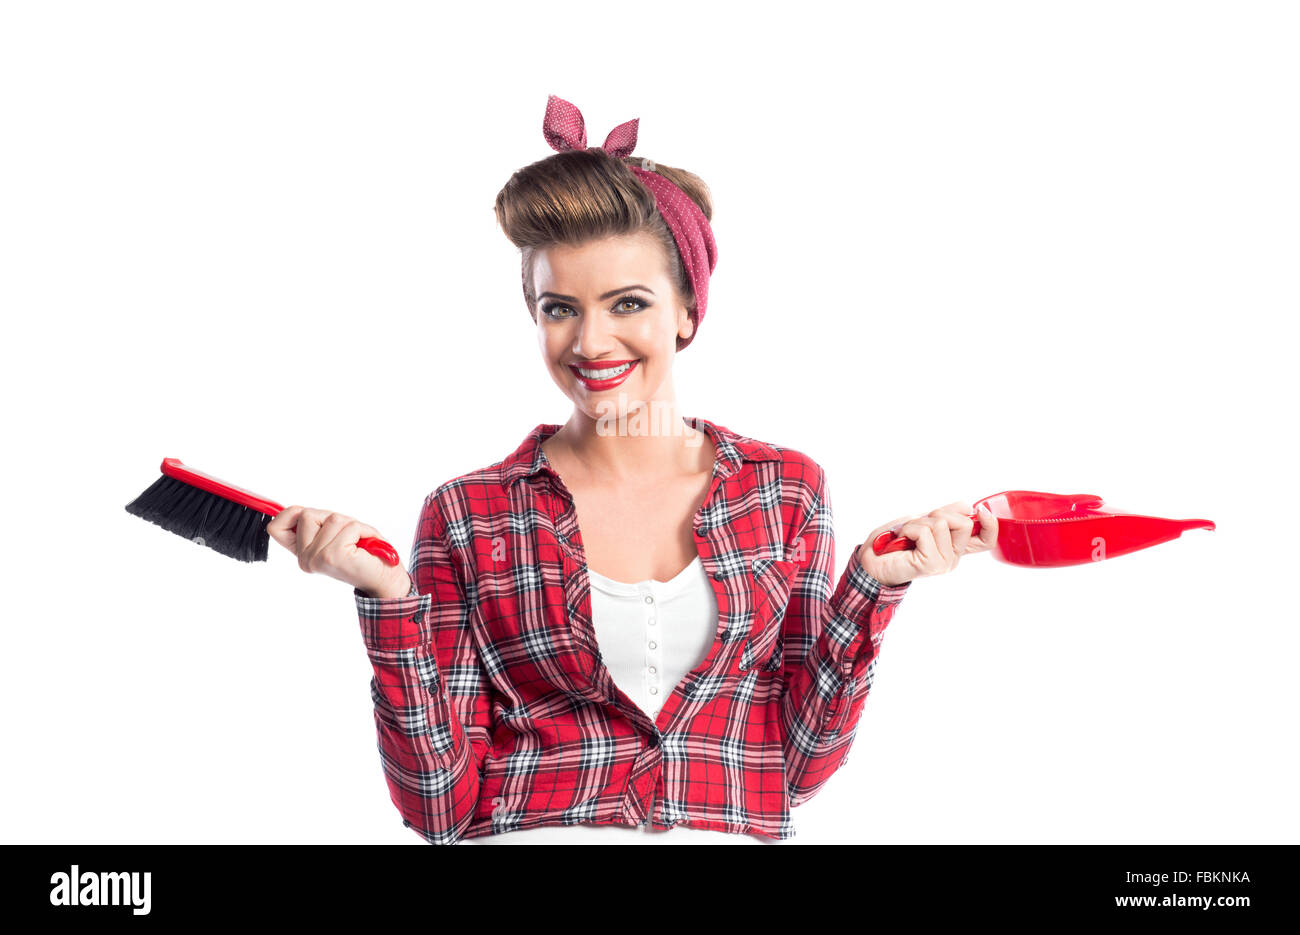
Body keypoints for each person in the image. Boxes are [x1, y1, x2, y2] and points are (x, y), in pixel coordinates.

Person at [266, 95, 998, 845]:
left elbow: (796, 767)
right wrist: (386, 600)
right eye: (559, 309)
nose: (591, 341)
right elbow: (438, 809)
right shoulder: (467, 512)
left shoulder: (783, 491)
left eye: (628, 303)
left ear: (686, 309)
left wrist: (874, 586)